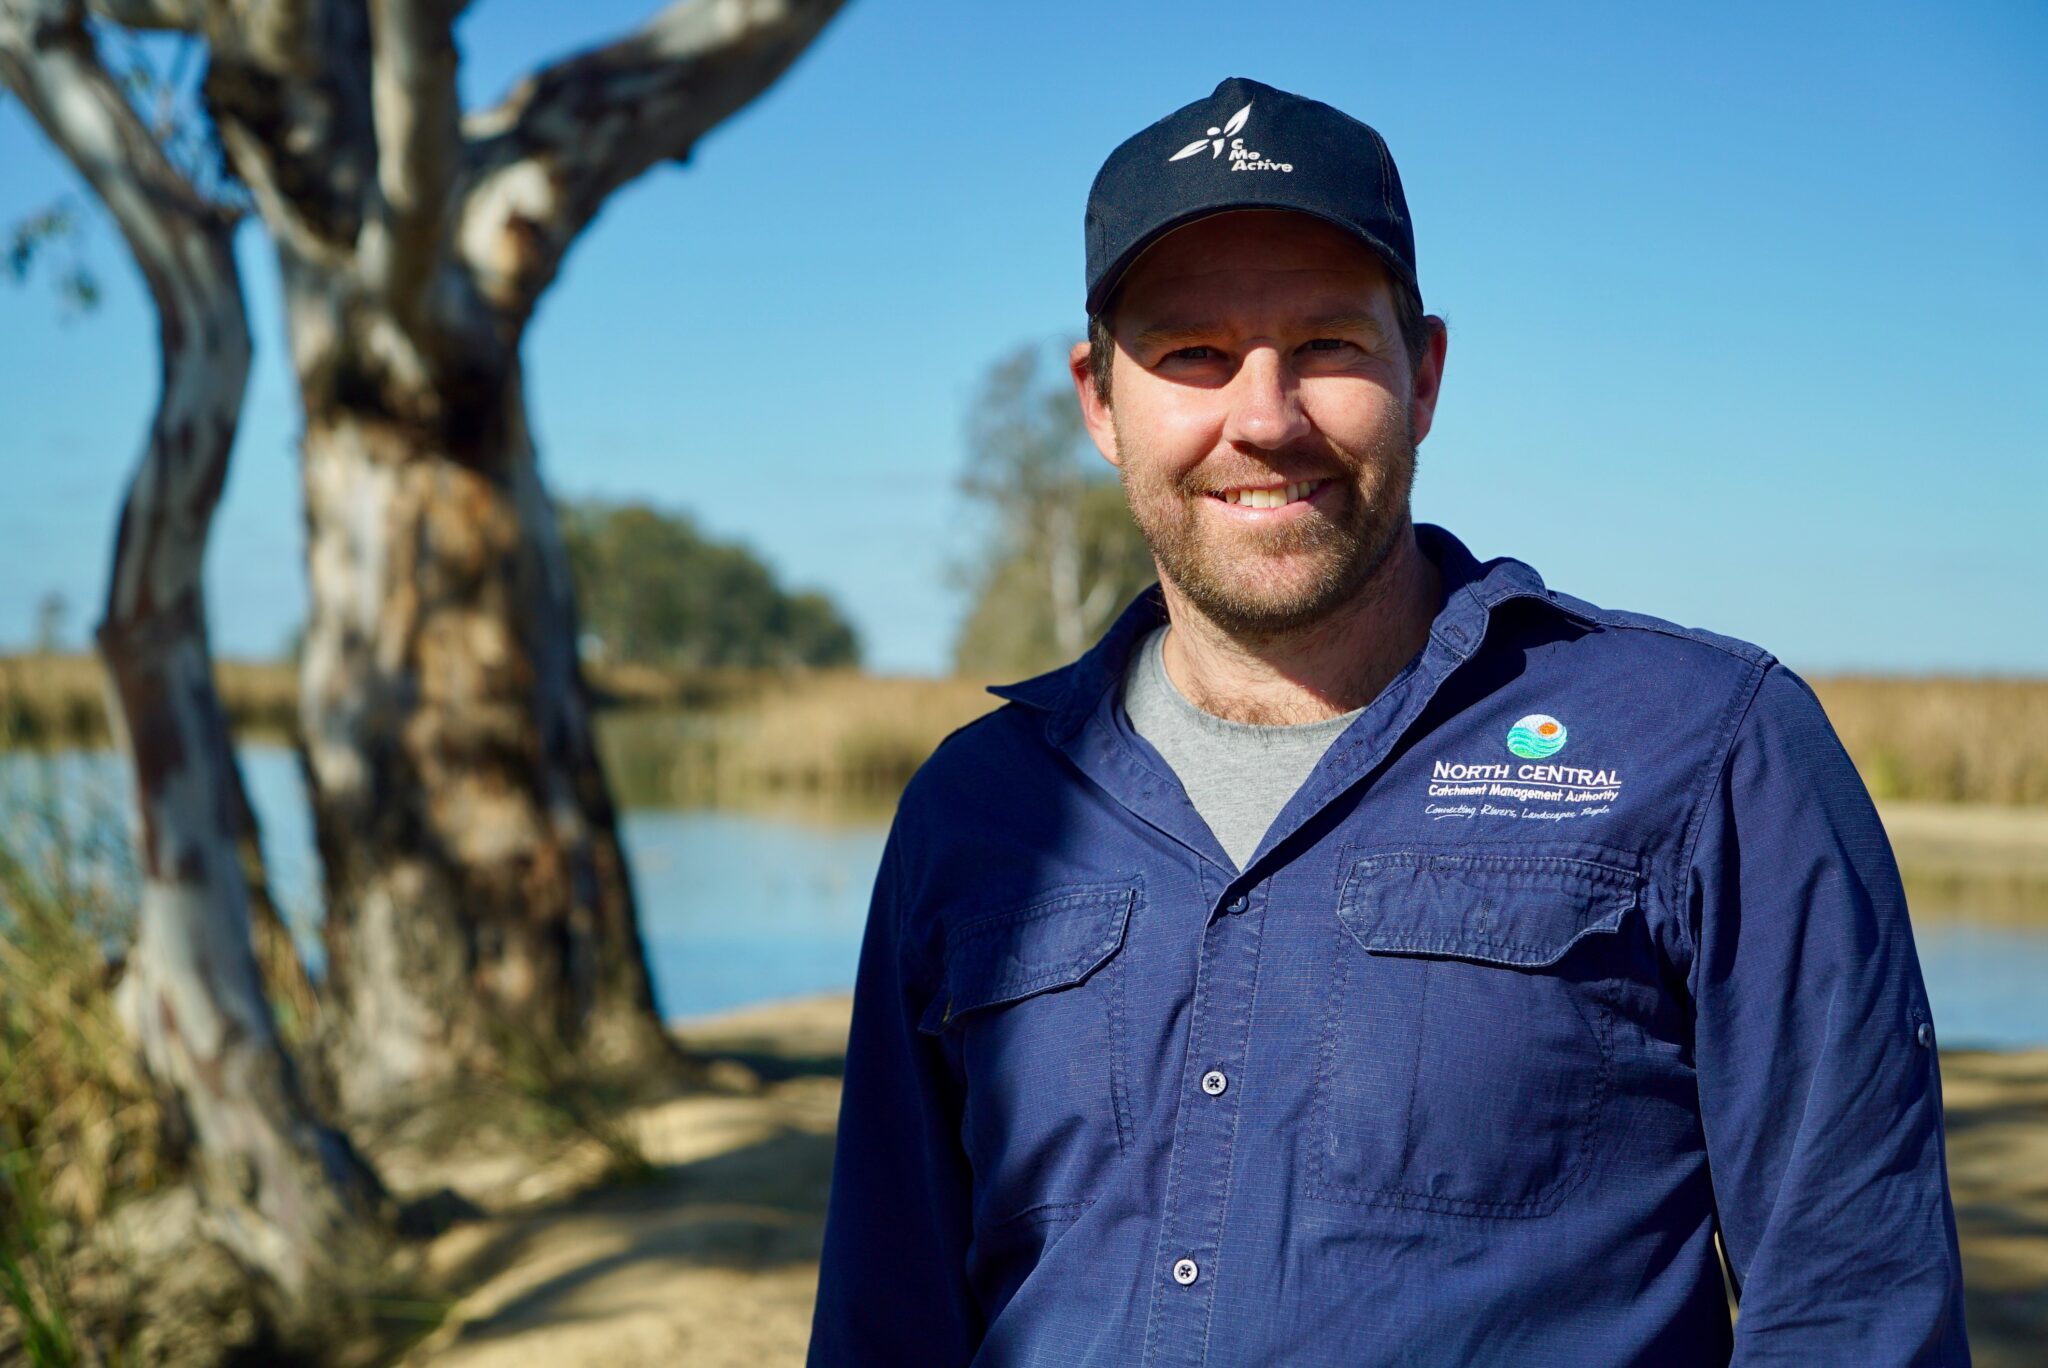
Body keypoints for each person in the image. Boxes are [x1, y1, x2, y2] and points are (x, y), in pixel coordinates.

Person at [807, 76, 1970, 1366]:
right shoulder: (979, 810)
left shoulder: (1709, 750)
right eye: (1193, 354)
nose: (1264, 416)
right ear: (1097, 399)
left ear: (1422, 376)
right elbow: (885, 1316)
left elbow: (1855, 1307)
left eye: (1327, 347)